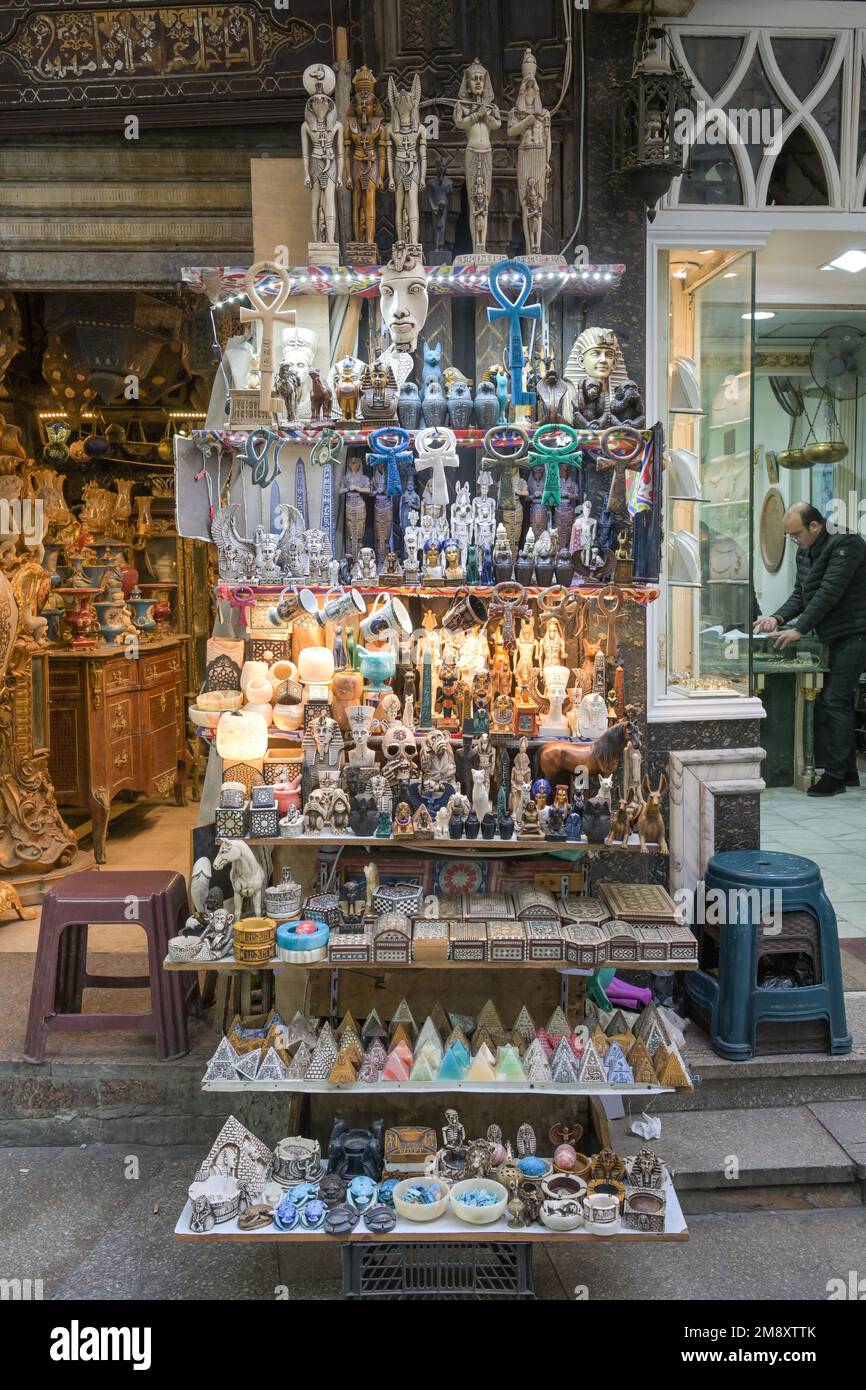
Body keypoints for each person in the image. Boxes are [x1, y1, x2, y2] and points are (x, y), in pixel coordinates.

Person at [755, 502, 866, 796]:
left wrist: (799, 628)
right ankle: (849, 771)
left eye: (796, 535)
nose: (794, 541)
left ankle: (835, 777)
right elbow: (801, 594)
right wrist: (776, 617)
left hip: (856, 632)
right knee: (834, 700)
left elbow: (830, 592)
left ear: (815, 526)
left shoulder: (847, 544)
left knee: (835, 699)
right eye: (789, 536)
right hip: (832, 634)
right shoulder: (805, 551)